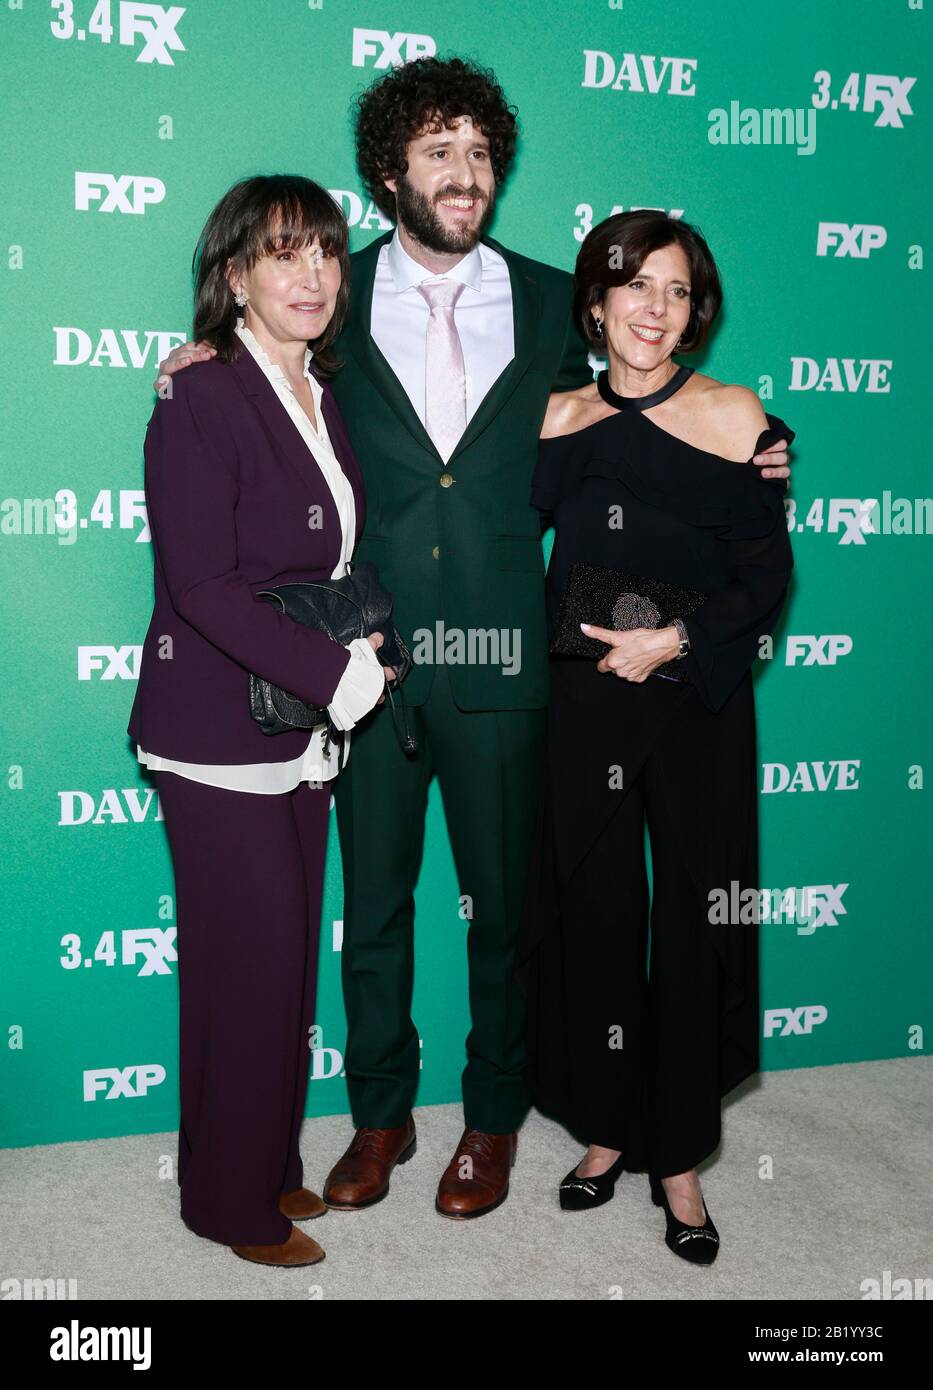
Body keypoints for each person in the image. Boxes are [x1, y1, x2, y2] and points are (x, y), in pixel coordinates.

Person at [153, 56, 792, 1221]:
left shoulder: (558, 301)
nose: (465, 174)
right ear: (390, 170)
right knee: (378, 909)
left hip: (508, 659)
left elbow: (643, 401)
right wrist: (199, 351)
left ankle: (492, 1121)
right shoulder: (322, 290)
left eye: (483, 153)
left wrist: (762, 439)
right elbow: (257, 380)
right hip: (371, 664)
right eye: (439, 151)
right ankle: (382, 1117)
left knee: (509, 911)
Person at [515, 209, 795, 1264]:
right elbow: (461, 491)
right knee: (591, 909)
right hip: (585, 704)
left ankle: (676, 1157)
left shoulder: (737, 417)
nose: (655, 308)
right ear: (597, 300)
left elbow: (766, 577)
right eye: (636, 285)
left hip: (694, 704)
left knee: (688, 916)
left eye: (677, 292)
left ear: (697, 311)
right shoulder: (557, 418)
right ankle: (605, 1127)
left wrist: (671, 640)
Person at [128, 174, 392, 1267]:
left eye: (325, 253)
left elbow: (323, 559)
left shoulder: (323, 395)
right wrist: (335, 673)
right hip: (217, 731)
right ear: (234, 273)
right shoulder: (200, 393)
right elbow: (203, 586)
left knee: (281, 967)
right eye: (282, 254)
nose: (311, 275)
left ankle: (266, 1166)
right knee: (248, 967)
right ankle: (225, 1206)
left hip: (297, 725)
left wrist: (359, 652)